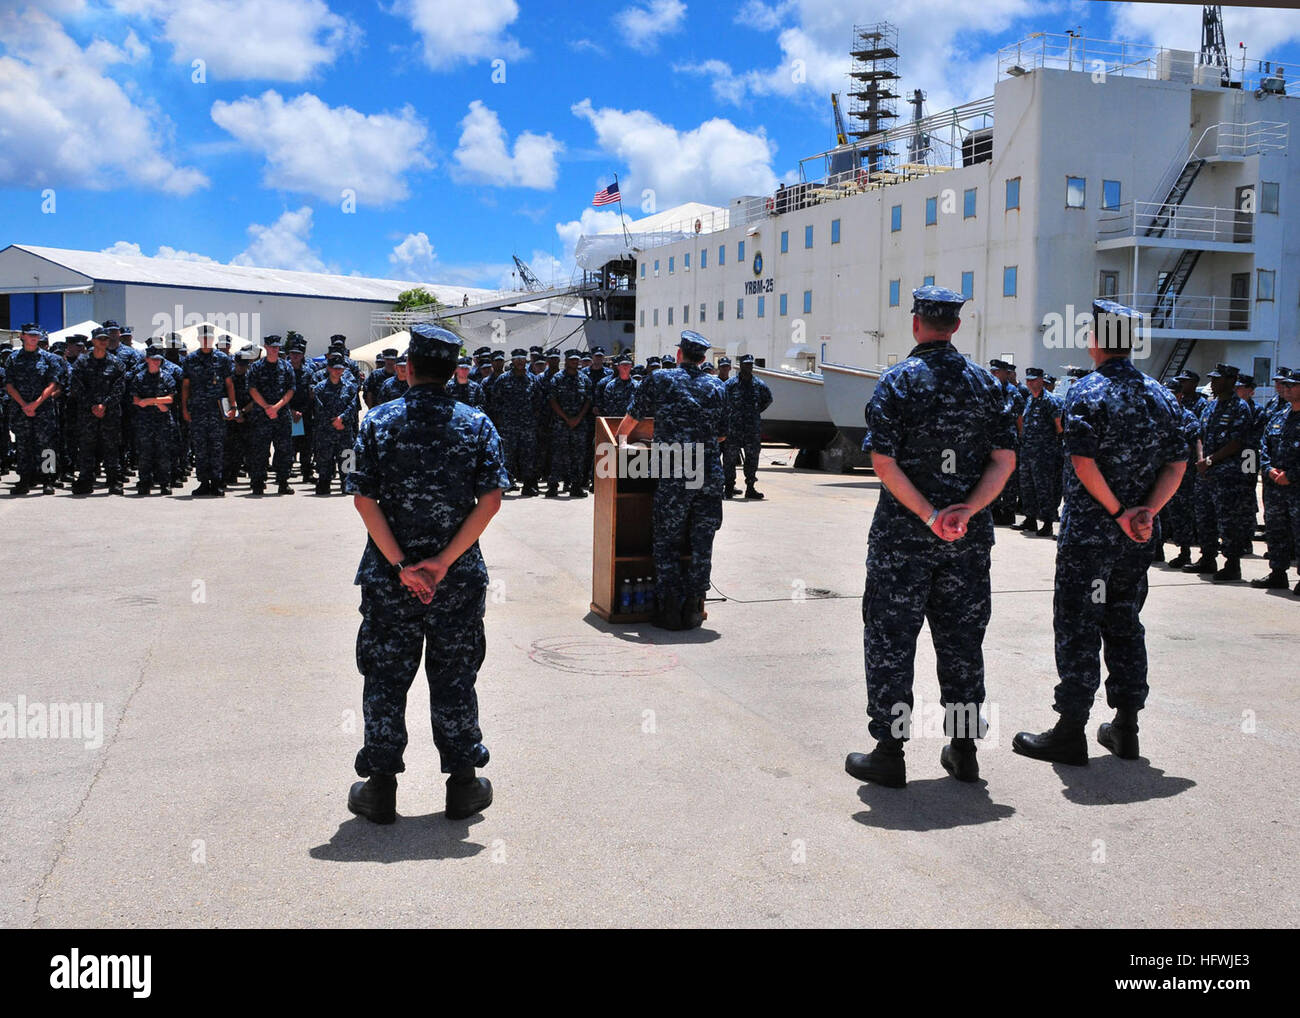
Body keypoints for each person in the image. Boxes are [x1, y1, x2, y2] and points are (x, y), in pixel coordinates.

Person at [844, 287, 1016, 788]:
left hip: (904, 540)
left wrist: (928, 514)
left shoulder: (898, 382)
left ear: (917, 323)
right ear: (956, 326)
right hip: (966, 540)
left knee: (891, 639)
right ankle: (964, 751)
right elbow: (1004, 460)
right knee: (962, 641)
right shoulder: (988, 385)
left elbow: (882, 460)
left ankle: (889, 753)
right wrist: (966, 511)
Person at [344, 323, 509, 824]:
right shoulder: (476, 424)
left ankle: (380, 788)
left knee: (385, 679)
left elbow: (362, 497)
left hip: (389, 581)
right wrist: (443, 562)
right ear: (451, 373)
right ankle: (462, 784)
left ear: (408, 368)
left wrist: (400, 565)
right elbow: (492, 498)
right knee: (455, 676)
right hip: (454, 581)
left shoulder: (376, 422)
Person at [1013, 300, 1188, 766]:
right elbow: (1178, 463)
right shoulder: (1161, 395)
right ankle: (1126, 728)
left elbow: (1083, 461)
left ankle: (1071, 730)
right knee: (1126, 621)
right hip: (1135, 538)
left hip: (1092, 534)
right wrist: (1145, 512)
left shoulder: (1086, 392)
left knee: (1078, 624)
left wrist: (1116, 512)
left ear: (1095, 341)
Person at [617, 330, 728, 631]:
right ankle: (694, 608)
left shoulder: (661, 379)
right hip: (707, 473)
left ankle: (668, 610)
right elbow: (722, 433)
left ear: (679, 355)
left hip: (675, 470)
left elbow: (632, 418)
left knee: (667, 540)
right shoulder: (717, 386)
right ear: (703, 358)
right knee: (702, 541)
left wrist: (621, 440)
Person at [1185, 363, 1255, 582]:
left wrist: (1211, 460)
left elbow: (1237, 441)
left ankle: (1232, 564)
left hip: (1228, 475)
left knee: (1228, 520)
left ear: (1231, 381)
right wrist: (1200, 459)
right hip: (1206, 473)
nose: (1213, 383)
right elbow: (1199, 435)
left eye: (1217, 379)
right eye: (1212, 379)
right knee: (1205, 517)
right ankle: (1207, 557)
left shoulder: (1239, 407)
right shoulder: (1210, 406)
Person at [1253, 369, 1300, 592]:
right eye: (1286, 385)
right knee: (1276, 530)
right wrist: (1269, 469)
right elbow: (1263, 447)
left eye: (1293, 385)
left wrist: (1291, 474)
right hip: (1275, 487)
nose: (1287, 388)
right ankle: (1278, 572)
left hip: (1296, 486)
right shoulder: (1279, 416)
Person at [4, 324, 63, 495]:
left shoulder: (49, 358)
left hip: (42, 410)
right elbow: (9, 385)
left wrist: (35, 404)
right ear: (22, 336)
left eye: (36, 336)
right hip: (21, 409)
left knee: (47, 446)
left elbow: (53, 384)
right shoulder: (13, 358)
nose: (33, 338)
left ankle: (48, 481)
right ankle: (24, 480)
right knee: (23, 445)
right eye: (30, 335)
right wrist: (24, 405)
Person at [69, 327, 127, 496]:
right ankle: (85, 481)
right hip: (88, 413)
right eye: (100, 339)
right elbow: (77, 386)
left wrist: (104, 405)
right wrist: (93, 406)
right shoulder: (82, 362)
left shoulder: (116, 363)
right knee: (87, 447)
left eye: (106, 339)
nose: (103, 342)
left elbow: (119, 387)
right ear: (93, 341)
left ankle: (114, 481)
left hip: (110, 413)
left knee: (111, 447)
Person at [182, 325, 237, 497]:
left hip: (217, 412)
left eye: (209, 338)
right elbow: (185, 386)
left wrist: (233, 406)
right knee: (200, 448)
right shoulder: (190, 359)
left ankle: (217, 482)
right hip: (197, 411)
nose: (206, 340)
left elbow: (229, 384)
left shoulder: (223, 359)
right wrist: (184, 408)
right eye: (203, 338)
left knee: (217, 447)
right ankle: (204, 482)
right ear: (199, 339)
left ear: (213, 340)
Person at [1014, 367, 1064, 537]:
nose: (1030, 383)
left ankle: (1048, 522)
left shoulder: (1051, 401)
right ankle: (1030, 519)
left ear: (1042, 381)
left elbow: (1060, 428)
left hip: (1044, 454)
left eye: (1034, 380)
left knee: (1044, 488)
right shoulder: (1029, 400)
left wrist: (1054, 450)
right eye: (1028, 380)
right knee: (1027, 487)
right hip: (1028, 452)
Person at [246, 335, 297, 495]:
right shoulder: (256, 367)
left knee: (284, 450)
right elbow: (252, 389)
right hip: (261, 416)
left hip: (281, 415)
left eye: (277, 347)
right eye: (272, 346)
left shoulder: (286, 367)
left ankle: (283, 482)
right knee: (259, 450)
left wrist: (276, 407)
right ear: (265, 347)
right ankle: (258, 482)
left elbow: (291, 390)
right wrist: (267, 407)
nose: (275, 349)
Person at [489, 348, 540, 496]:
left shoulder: (532, 379)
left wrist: (533, 420)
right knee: (507, 456)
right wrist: (501, 421)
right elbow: (495, 402)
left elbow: (538, 402)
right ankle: (505, 485)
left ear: (526, 361)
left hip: (527, 426)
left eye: (522, 358)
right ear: (512, 361)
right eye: (516, 358)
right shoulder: (503, 379)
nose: (519, 361)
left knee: (528, 456)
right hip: (508, 426)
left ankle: (528, 485)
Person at [722, 354, 773, 499]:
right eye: (746, 364)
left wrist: (755, 412)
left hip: (752, 429)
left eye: (750, 364)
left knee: (752, 459)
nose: (748, 367)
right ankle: (729, 488)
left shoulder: (759, 384)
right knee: (729, 460)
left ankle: (750, 487)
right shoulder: (731, 384)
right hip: (734, 429)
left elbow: (768, 399)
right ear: (740, 365)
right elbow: (721, 400)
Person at [129, 344, 176, 496]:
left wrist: (150, 401)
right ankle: (144, 483)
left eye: (159, 360)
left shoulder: (167, 377)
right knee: (145, 454)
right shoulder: (139, 377)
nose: (156, 362)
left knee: (163, 454)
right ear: (147, 359)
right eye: (154, 359)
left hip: (162, 421)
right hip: (144, 422)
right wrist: (157, 402)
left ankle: (165, 483)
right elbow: (136, 400)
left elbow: (170, 399)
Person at [546, 349, 593, 498]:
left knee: (578, 456)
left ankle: (576, 486)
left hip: (579, 424)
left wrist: (578, 418)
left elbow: (588, 400)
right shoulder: (557, 378)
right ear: (566, 361)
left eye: (576, 359)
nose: (575, 362)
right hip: (561, 424)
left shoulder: (584, 379)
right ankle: (553, 486)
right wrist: (567, 419)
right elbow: (552, 400)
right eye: (572, 359)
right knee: (558, 455)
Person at [312, 354, 360, 495]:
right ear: (328, 368)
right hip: (325, 430)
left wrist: (342, 419)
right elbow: (319, 408)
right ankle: (324, 482)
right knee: (324, 458)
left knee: (346, 456)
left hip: (344, 429)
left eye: (340, 368)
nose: (337, 371)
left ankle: (347, 483)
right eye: (334, 368)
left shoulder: (350, 387)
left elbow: (353, 406)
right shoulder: (320, 388)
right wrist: (334, 422)